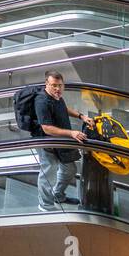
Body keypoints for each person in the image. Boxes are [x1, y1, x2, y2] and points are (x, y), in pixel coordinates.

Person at [31, 70, 91, 212]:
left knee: (69, 169)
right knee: (49, 172)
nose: (58, 89)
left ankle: (58, 195)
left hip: (62, 140)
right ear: (47, 84)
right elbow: (47, 128)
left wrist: (81, 116)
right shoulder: (42, 101)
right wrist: (71, 133)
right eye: (54, 85)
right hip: (47, 143)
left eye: (60, 85)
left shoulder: (57, 96)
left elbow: (63, 108)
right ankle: (45, 205)